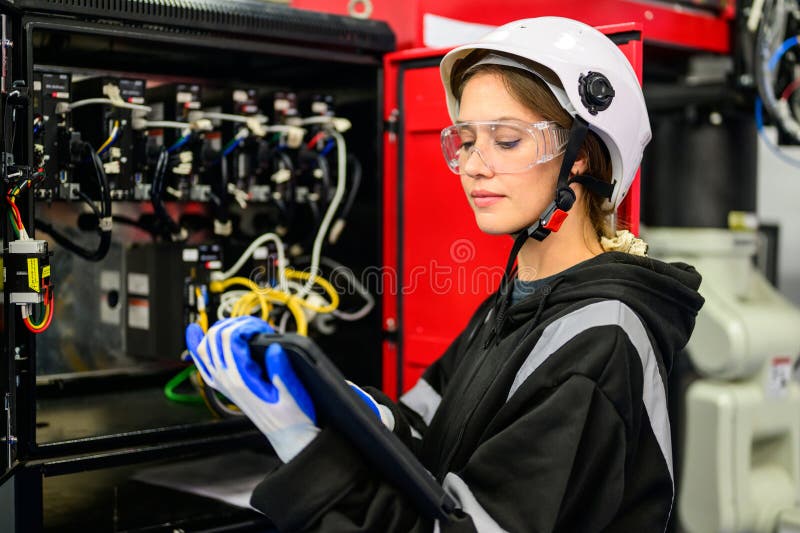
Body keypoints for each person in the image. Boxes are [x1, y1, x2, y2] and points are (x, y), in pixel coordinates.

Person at [186, 16, 704, 532]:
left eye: (505, 140)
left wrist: (307, 460)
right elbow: (425, 430)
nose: (475, 165)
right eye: (468, 141)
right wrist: (337, 402)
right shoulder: (520, 301)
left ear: (579, 158)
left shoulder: (600, 341)